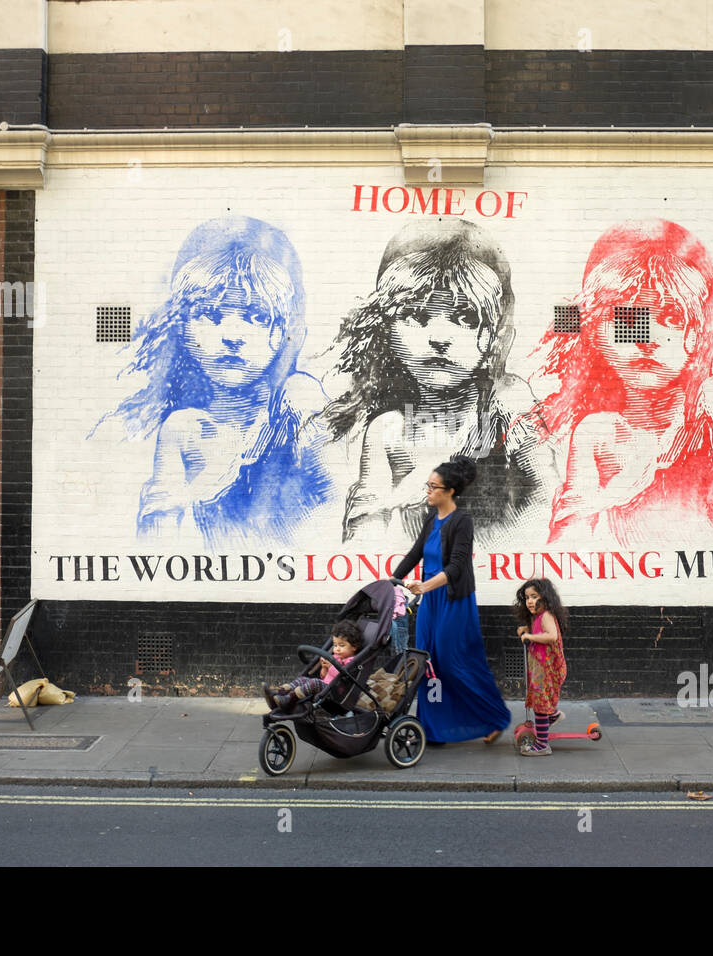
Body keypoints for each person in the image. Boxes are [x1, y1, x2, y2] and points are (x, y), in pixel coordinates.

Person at [93, 216, 331, 547]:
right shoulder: (184, 430)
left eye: (258, 317)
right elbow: (153, 549)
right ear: (182, 329)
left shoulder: (299, 402)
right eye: (210, 314)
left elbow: (337, 507)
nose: (232, 336)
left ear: (285, 331)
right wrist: (191, 492)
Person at [317, 220, 552, 546]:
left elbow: (547, 505)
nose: (440, 338)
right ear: (387, 329)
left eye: (466, 318)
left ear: (493, 335)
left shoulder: (508, 406)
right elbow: (364, 530)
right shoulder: (388, 430)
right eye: (417, 316)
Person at [534, 219, 713, 545]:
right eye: (628, 317)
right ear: (596, 332)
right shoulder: (597, 434)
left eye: (671, 317)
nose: (649, 339)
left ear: (695, 334)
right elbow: (569, 539)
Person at [391, 455, 511, 743]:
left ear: (450, 492)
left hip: (453, 602)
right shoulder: (431, 519)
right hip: (430, 601)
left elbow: (457, 567)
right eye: (428, 485)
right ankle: (433, 728)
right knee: (427, 663)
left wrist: (424, 586)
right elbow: (415, 553)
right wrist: (392, 581)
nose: (428, 491)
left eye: (433, 487)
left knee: (453, 663)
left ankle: (494, 716)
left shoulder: (462, 522)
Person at [514, 578, 569, 756]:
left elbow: (551, 636)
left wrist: (530, 636)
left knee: (540, 704)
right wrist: (526, 628)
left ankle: (543, 745)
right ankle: (553, 716)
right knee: (541, 702)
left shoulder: (546, 615)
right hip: (541, 667)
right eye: (527, 597)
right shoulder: (537, 617)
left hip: (548, 669)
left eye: (534, 596)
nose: (529, 601)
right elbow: (537, 630)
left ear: (545, 597)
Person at [262, 620, 364, 711]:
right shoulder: (337, 657)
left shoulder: (352, 661)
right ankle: (278, 694)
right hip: (325, 687)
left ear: (354, 646)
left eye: (341, 645)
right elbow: (324, 676)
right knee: (302, 679)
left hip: (335, 694)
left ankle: (289, 700)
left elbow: (343, 675)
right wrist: (324, 667)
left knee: (314, 683)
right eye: (335, 645)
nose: (337, 649)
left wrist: (330, 666)